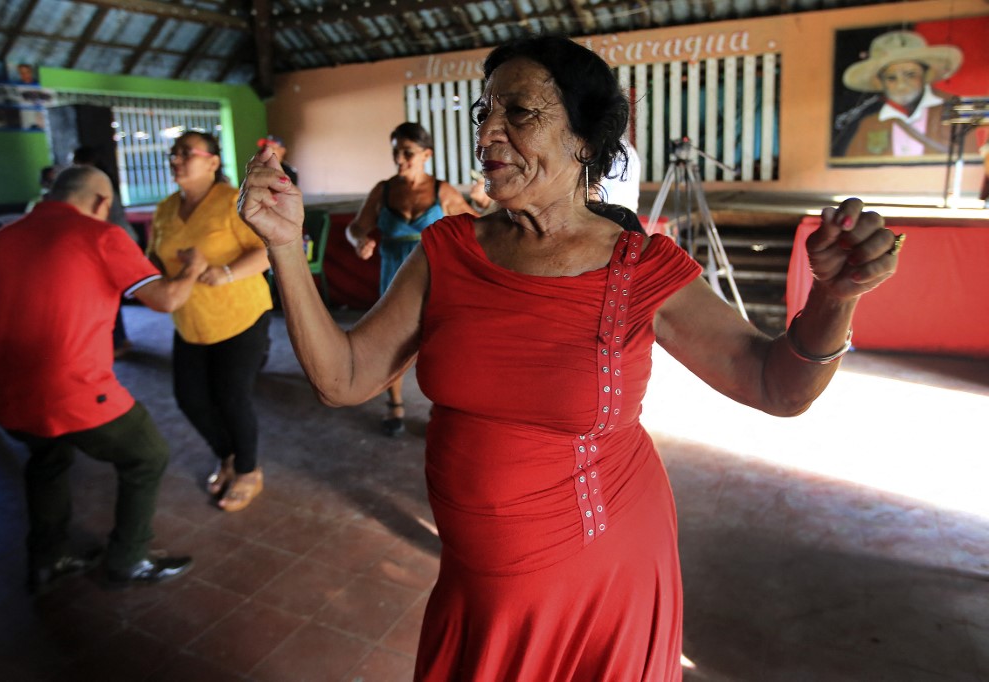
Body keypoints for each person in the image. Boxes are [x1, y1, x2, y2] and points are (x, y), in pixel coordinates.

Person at [239, 34, 900, 681]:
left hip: (598, 572)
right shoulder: (448, 250)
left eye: (518, 112)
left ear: (585, 140)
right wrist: (285, 247)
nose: (488, 132)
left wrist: (834, 297)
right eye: (485, 112)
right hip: (476, 579)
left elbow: (776, 385)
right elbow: (344, 378)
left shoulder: (639, 268)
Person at [0, 165, 205, 593]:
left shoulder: (0, 238)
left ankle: (48, 558)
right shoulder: (101, 235)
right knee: (147, 454)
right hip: (67, 388)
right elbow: (167, 299)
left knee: (47, 457)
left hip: (1, 388)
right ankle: (129, 557)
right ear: (102, 202)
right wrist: (193, 267)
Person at [148, 131, 272, 512]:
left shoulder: (233, 202)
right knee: (190, 399)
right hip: (190, 320)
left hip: (241, 316)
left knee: (231, 397)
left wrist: (226, 272)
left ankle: (249, 471)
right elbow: (152, 257)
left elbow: (270, 250)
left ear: (213, 162)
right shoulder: (166, 209)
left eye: (186, 152)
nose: (176, 159)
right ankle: (228, 455)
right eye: (174, 153)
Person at [344, 122, 477, 435]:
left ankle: (440, 405)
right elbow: (356, 226)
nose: (399, 159)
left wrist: (483, 200)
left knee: (439, 343)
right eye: (395, 152)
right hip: (393, 275)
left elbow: (477, 227)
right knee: (392, 343)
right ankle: (395, 404)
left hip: (435, 276)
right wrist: (359, 240)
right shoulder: (384, 189)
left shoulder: (441, 191)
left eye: (407, 153)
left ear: (427, 154)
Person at [839, 30, 977, 159]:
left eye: (910, 75)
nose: (901, 85)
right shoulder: (869, 124)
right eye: (891, 78)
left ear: (925, 75)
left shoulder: (959, 107)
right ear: (881, 83)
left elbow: (976, 164)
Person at [72, 146, 138, 358]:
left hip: (113, 246)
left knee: (108, 295)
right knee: (109, 295)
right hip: (111, 245)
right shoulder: (99, 185)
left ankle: (118, 340)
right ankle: (119, 339)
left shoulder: (98, 188)